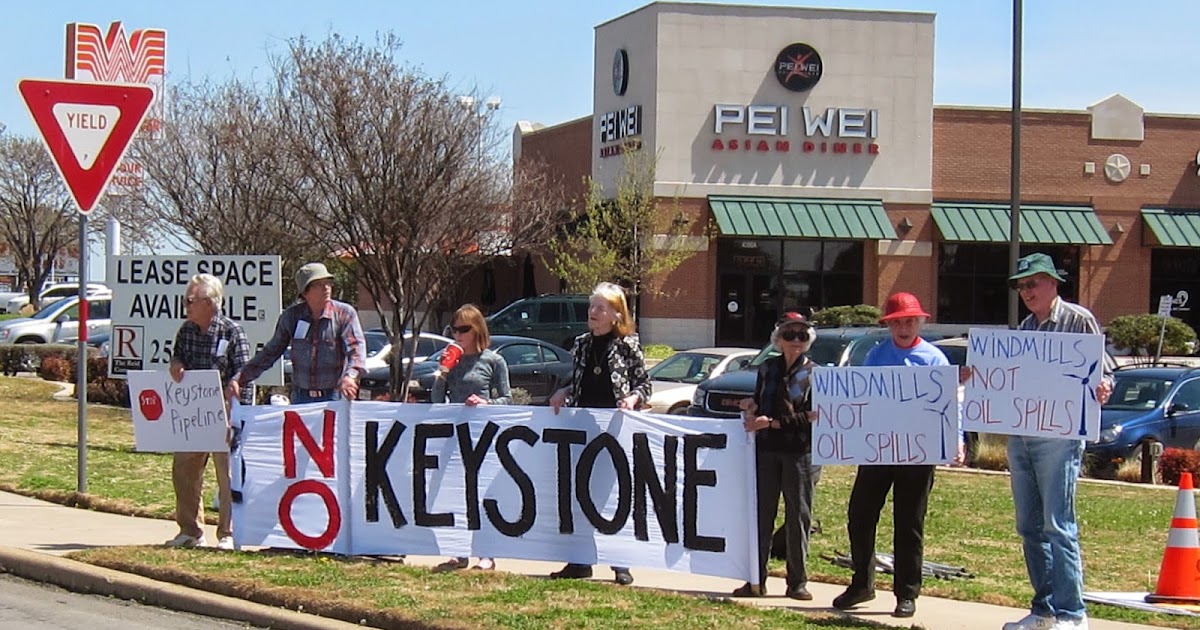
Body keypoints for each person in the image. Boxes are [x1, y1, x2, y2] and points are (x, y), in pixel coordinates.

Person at [1002, 253, 1112, 630]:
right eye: (1021, 286)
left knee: (1057, 524)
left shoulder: (1078, 320)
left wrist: (1104, 387)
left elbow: (1103, 372)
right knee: (1029, 527)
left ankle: (1072, 613)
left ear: (1053, 282)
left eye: (1032, 283)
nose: (1026, 292)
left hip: (1060, 439)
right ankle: (1043, 610)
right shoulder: (1024, 331)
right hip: (1022, 436)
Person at [832, 292, 953, 619]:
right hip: (877, 450)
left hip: (917, 454)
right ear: (888, 325)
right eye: (898, 321)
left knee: (909, 523)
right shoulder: (876, 356)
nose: (904, 326)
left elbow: (945, 409)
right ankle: (862, 584)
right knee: (860, 515)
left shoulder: (934, 360)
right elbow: (861, 399)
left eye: (910, 321)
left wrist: (952, 441)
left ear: (920, 323)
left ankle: (906, 593)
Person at [548, 282, 651, 586]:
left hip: (614, 433)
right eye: (592, 306)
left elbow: (645, 385)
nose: (593, 313)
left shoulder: (628, 344)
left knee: (614, 497)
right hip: (582, 429)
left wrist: (632, 399)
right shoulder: (580, 344)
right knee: (580, 495)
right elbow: (577, 382)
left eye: (600, 308)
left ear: (616, 314)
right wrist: (563, 391)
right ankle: (580, 561)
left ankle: (619, 562)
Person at [165, 273, 254, 550]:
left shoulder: (232, 331)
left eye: (191, 300)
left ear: (210, 302)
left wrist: (237, 408)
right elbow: (178, 355)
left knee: (226, 476)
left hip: (224, 415)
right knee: (184, 471)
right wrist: (176, 364)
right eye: (185, 300)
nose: (187, 306)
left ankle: (226, 533)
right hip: (193, 417)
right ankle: (190, 531)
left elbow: (244, 371)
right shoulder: (186, 330)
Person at [733, 311, 818, 600]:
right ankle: (756, 579)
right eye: (789, 334)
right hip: (766, 450)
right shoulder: (767, 368)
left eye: (802, 335)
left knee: (798, 517)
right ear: (778, 339)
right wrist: (751, 406)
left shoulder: (815, 373)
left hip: (800, 454)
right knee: (760, 516)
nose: (795, 340)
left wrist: (770, 423)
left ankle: (797, 583)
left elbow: (812, 417)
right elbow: (761, 400)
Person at [431, 304, 511, 573]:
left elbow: (508, 399)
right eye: (454, 329)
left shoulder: (494, 361)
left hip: (484, 436)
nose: (458, 335)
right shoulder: (452, 361)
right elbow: (436, 399)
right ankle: (458, 550)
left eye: (464, 329)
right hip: (455, 435)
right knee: (456, 494)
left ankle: (486, 552)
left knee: (483, 495)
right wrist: (442, 372)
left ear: (477, 329)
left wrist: (486, 402)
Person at [228, 262, 366, 404]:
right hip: (300, 398)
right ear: (305, 291)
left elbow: (356, 350)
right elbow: (270, 352)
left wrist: (351, 376)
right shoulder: (291, 316)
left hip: (334, 397)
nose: (326, 287)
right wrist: (240, 378)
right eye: (318, 284)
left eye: (328, 282)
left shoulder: (345, 313)